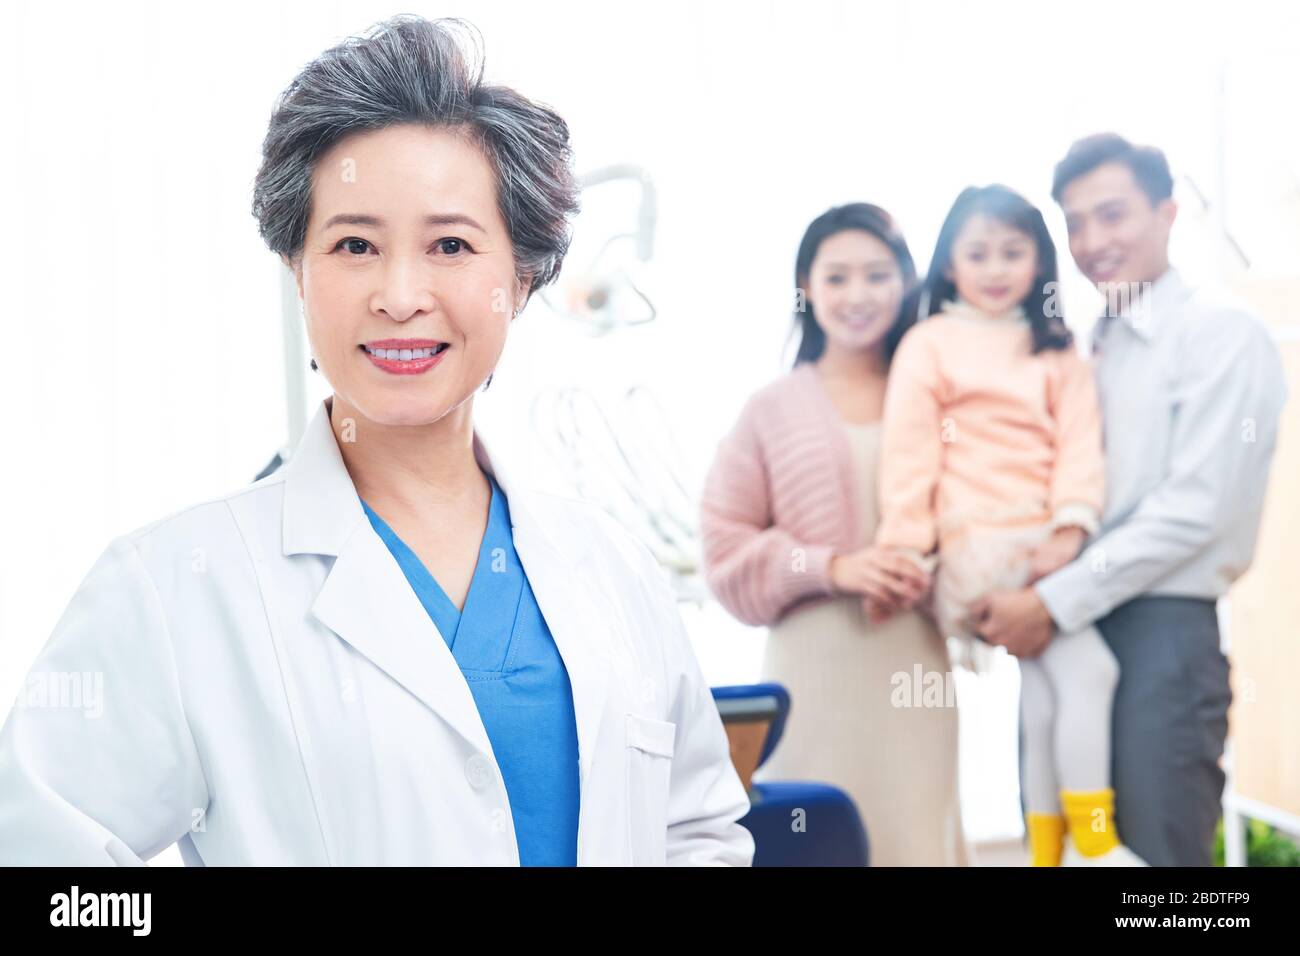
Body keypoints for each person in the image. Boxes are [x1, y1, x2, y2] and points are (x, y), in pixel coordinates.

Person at [0, 14, 753, 867]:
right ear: (299, 269)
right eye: (355, 244)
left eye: (451, 245)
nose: (401, 294)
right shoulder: (178, 586)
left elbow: (699, 832)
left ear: (522, 275)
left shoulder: (610, 568)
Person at [972, 133, 1289, 866]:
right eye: (1074, 223)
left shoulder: (1221, 333)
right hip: (1063, 634)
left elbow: (1197, 509)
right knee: (1060, 853)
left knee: (1156, 881)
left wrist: (1049, 601)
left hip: (1160, 642)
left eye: (1111, 215)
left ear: (1168, 212)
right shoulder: (1088, 344)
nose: (1090, 242)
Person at [875, 184, 1145, 866]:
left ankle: (1047, 848)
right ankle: (1095, 837)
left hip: (1042, 544)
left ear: (1038, 261)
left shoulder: (1056, 349)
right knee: (1092, 674)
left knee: (1047, 692)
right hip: (979, 549)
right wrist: (905, 549)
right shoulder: (930, 343)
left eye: (1013, 252)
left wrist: (1069, 528)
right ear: (949, 265)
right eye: (979, 253)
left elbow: (1081, 446)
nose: (996, 269)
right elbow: (910, 453)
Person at [700, 203, 970, 866]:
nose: (858, 294)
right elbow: (723, 549)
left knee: (915, 841)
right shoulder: (770, 409)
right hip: (813, 673)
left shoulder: (945, 398)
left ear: (906, 282)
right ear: (806, 287)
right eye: (837, 276)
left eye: (877, 275)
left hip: (914, 663)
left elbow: (989, 512)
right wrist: (832, 566)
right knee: (818, 845)